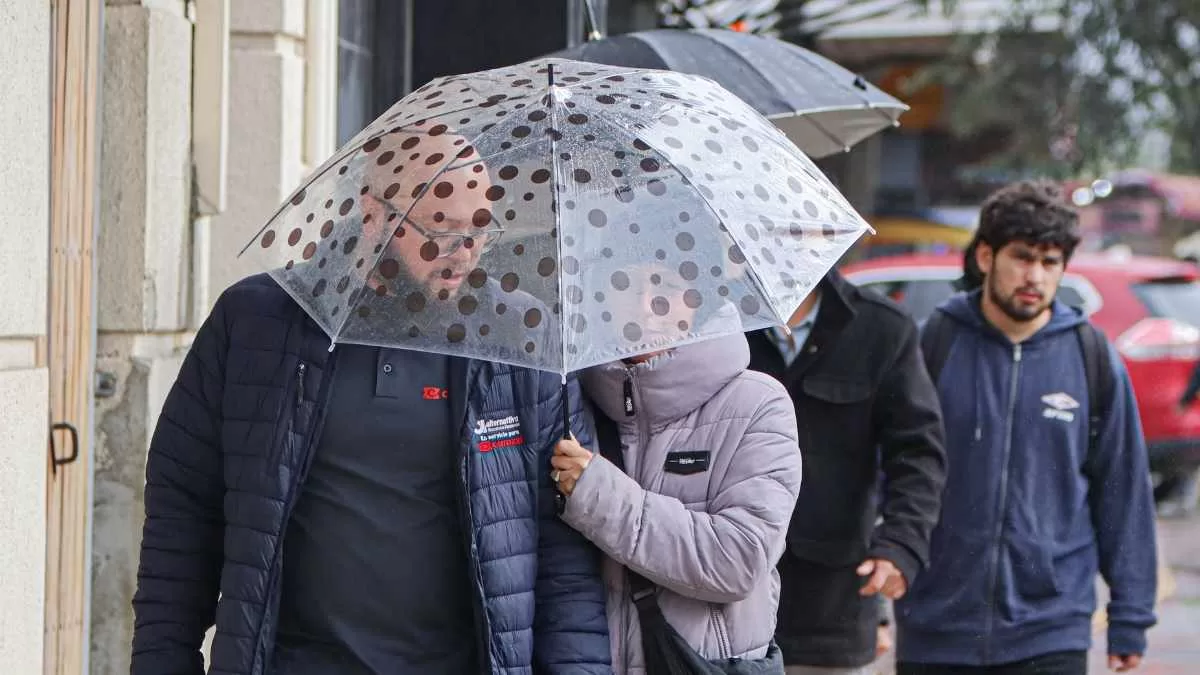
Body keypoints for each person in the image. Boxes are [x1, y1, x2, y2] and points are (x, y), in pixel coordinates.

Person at [130, 127, 611, 674]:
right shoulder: (258, 323)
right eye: (440, 229)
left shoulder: (521, 336)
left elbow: (565, 551)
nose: (463, 253)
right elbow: (181, 514)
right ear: (374, 215)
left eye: (478, 230)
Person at [896, 180, 1158, 675]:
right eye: (1022, 257)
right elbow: (892, 471)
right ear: (986, 257)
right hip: (935, 623)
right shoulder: (937, 343)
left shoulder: (1092, 358)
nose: (1034, 275)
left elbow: (1123, 493)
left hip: (1051, 627)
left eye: (1050, 261)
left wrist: (1130, 615)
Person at [550, 288, 804, 674]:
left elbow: (738, 561)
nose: (646, 306)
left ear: (699, 295)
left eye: (665, 284)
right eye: (626, 285)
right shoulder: (574, 403)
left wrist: (599, 496)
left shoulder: (757, 403)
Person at [745, 269, 948, 675]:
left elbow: (916, 453)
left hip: (831, 604)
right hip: (726, 593)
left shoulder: (881, 327)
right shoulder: (717, 322)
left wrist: (898, 547)